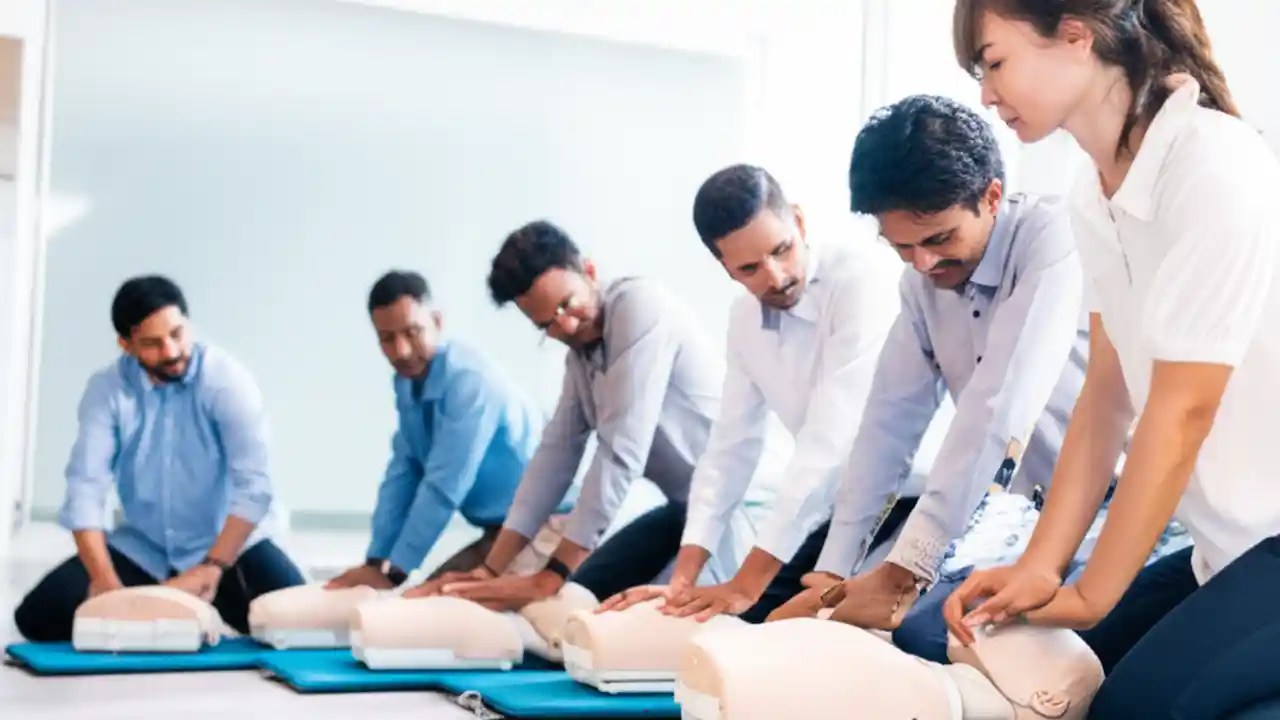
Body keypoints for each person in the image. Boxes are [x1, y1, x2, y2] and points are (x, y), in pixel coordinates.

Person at [943, 2, 1280, 718]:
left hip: (1272, 543)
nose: (985, 94)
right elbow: (1107, 395)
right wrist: (1041, 566)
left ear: (1076, 35)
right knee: (1047, 682)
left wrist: (1092, 592)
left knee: (1124, 707)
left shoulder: (1214, 161)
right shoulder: (1094, 195)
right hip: (1225, 552)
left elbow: (1182, 409)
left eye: (994, 63)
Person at [761, 95, 1093, 664]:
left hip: (1101, 515)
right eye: (900, 246)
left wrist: (903, 572)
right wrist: (833, 569)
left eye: (938, 239)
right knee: (843, 628)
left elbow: (997, 408)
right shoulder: (919, 285)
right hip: (1011, 520)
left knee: (926, 635)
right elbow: (886, 426)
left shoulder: (1052, 240)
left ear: (991, 196)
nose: (922, 264)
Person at [599, 164, 906, 624]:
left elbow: (828, 442)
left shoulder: (860, 281)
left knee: (788, 622)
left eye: (781, 250)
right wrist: (683, 580)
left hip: (913, 502)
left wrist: (746, 583)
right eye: (749, 268)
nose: (775, 276)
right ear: (725, 268)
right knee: (752, 621)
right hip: (846, 508)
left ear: (799, 222)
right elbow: (729, 450)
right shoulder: (744, 321)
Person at [406, 220, 758, 610]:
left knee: (648, 618)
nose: (566, 326)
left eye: (566, 305)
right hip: (686, 512)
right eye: (547, 324)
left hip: (743, 506)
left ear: (588, 271)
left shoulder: (640, 308)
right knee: (578, 600)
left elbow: (621, 451)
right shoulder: (581, 355)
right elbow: (554, 457)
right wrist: (491, 569)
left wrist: (551, 574)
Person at [13, 276, 305, 640]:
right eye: (152, 343)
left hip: (224, 547)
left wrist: (210, 568)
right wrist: (107, 587)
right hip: (145, 547)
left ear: (188, 324)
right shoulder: (107, 391)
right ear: (126, 344)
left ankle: (186, 607)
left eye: (177, 334)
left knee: (295, 629)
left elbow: (255, 488)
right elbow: (85, 490)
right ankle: (170, 610)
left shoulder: (226, 379)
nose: (170, 351)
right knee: (38, 616)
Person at [324, 270, 561, 590]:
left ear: (437, 321)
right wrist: (375, 561)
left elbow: (444, 484)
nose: (402, 351)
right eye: (387, 339)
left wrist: (393, 574)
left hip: (549, 528)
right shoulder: (408, 383)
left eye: (412, 332)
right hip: (500, 534)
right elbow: (403, 474)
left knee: (432, 606)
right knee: (418, 601)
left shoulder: (470, 381)